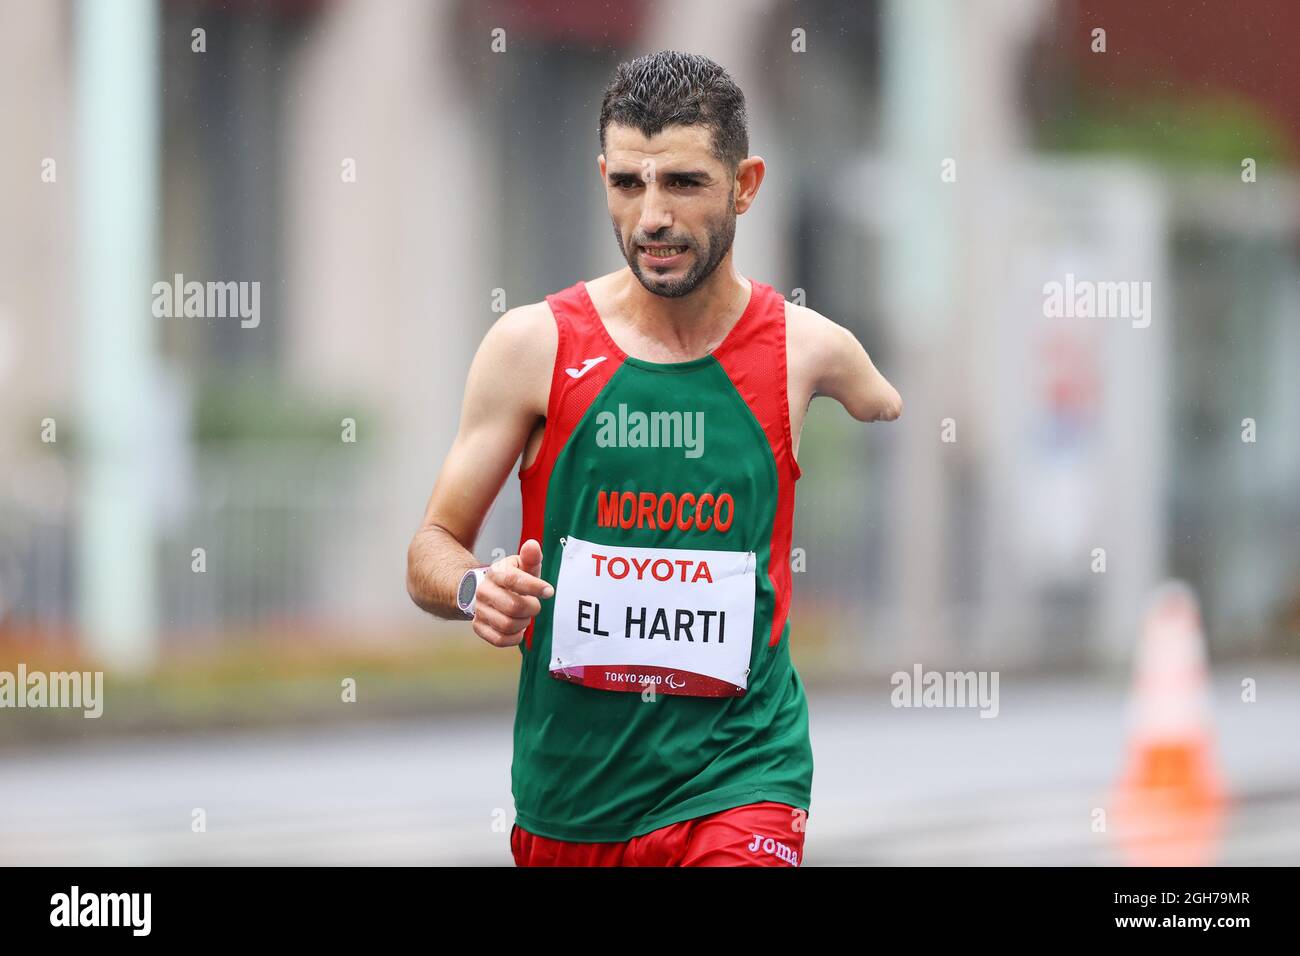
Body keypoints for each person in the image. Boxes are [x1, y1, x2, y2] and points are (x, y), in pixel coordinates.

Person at [406, 50, 901, 866]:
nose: (651, 218)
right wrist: (473, 589)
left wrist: (887, 395)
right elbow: (430, 545)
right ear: (604, 175)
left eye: (683, 183)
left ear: (745, 185)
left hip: (743, 775)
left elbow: (882, 395)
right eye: (628, 184)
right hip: (573, 798)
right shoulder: (534, 345)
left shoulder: (802, 350)